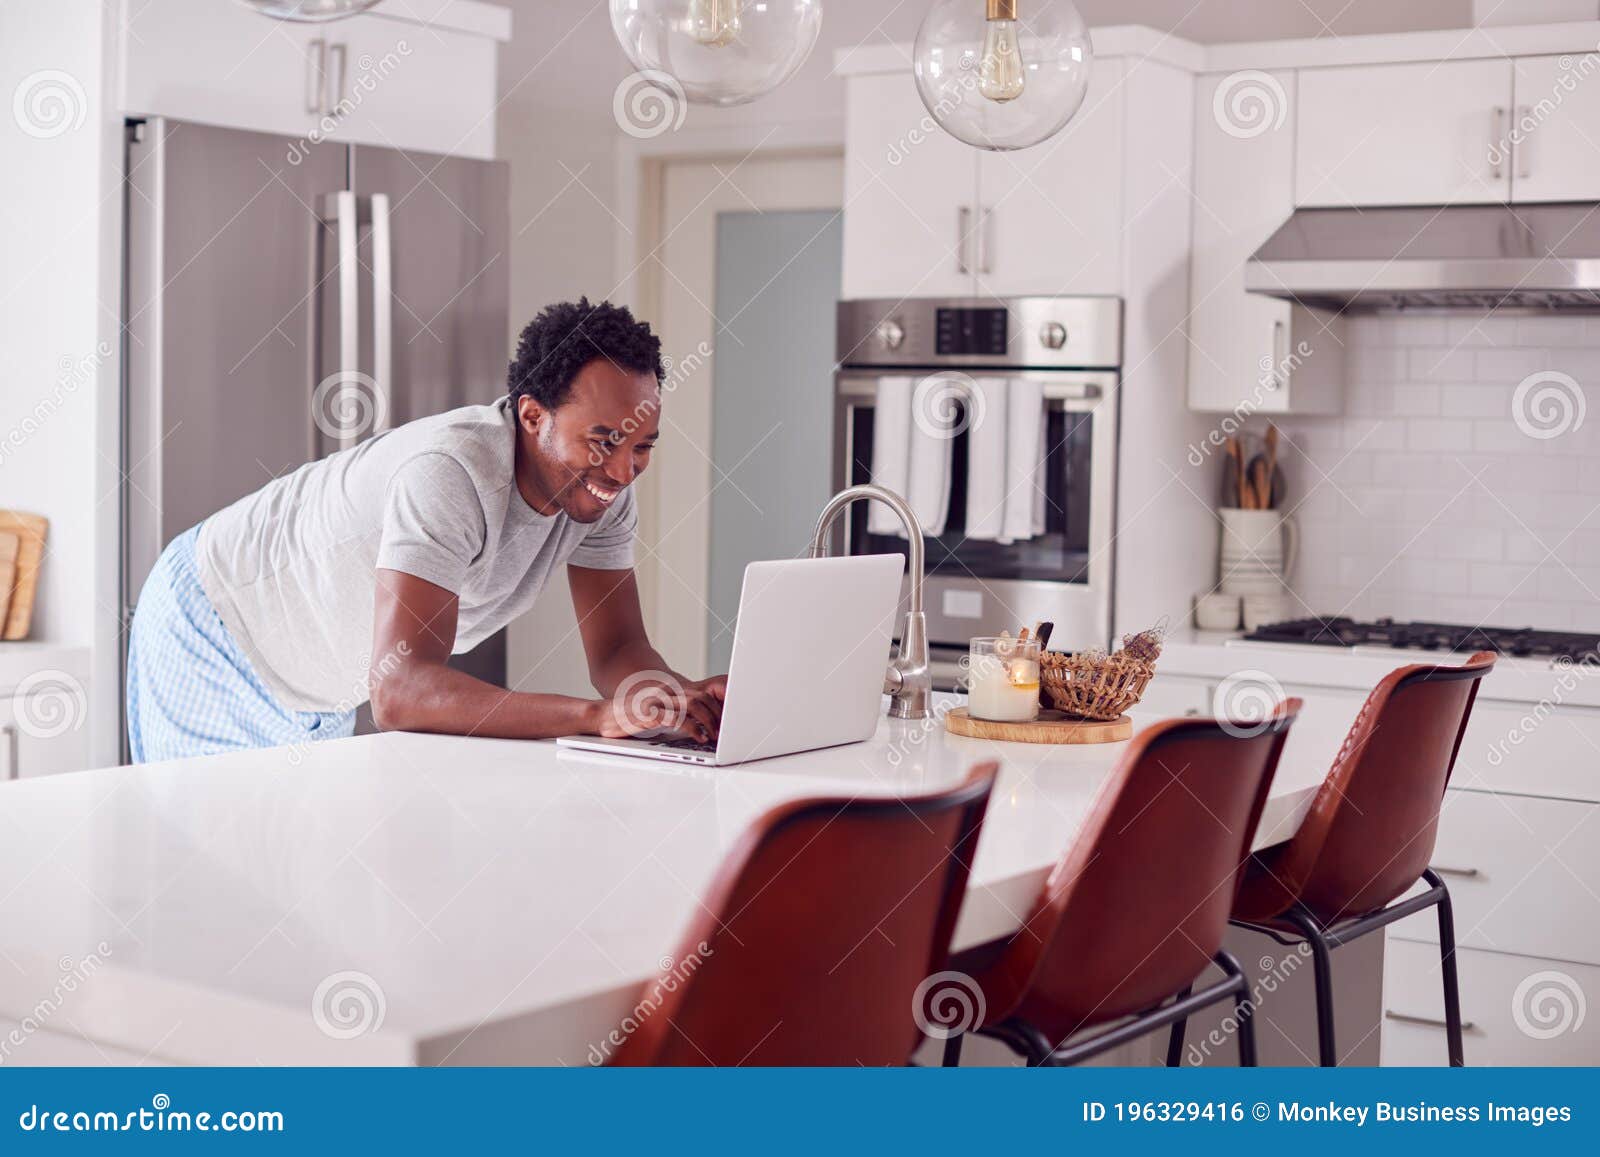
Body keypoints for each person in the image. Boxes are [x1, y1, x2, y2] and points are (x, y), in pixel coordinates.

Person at [126, 298, 724, 762]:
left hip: (319, 683)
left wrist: (677, 698)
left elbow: (618, 649)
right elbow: (402, 691)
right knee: (208, 890)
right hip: (213, 625)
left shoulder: (600, 494)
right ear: (533, 415)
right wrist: (594, 716)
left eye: (642, 445)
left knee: (292, 891)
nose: (623, 469)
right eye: (604, 441)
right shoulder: (451, 474)